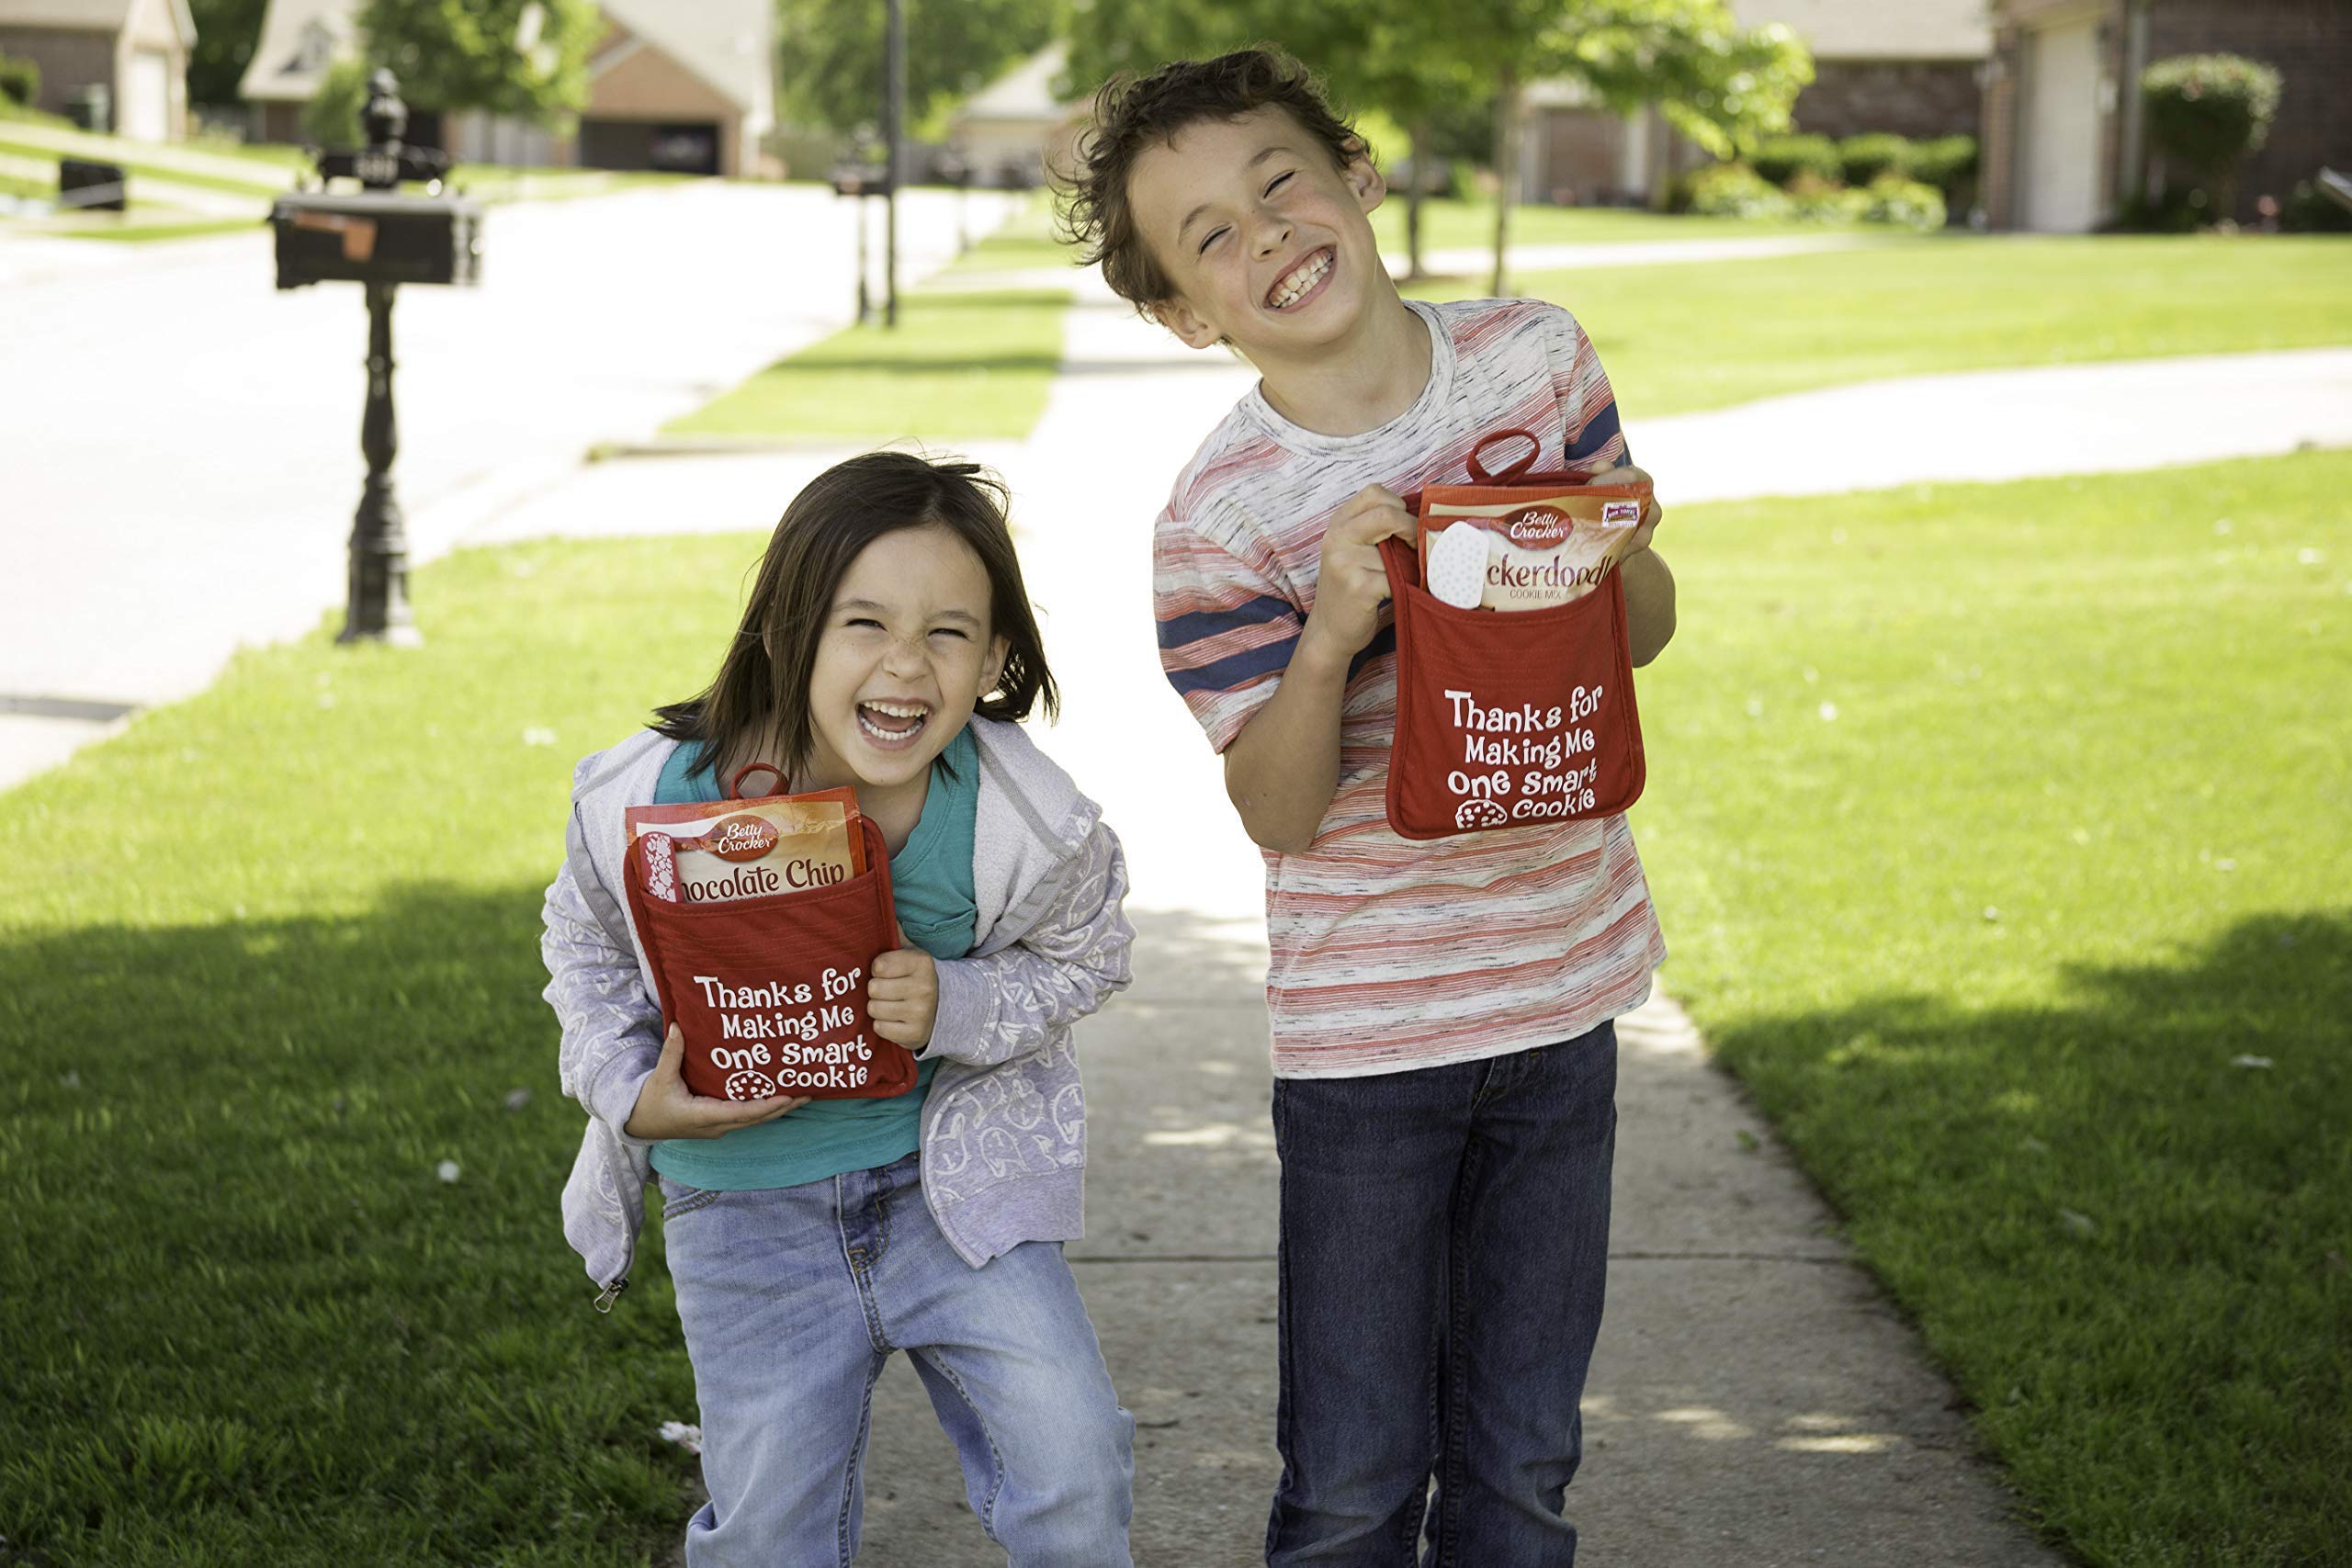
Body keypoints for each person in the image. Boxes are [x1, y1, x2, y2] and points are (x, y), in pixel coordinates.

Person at [1057, 49, 1676, 1566]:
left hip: (1561, 994)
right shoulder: (1219, 517)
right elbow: (1275, 808)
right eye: (1212, 235)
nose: (1265, 234)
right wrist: (1334, 631)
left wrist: (1609, 542)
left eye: (1282, 183)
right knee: (1352, 1475)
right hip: (1368, 1042)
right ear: (1183, 315)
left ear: (1359, 174)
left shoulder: (1535, 360)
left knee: (1523, 1458)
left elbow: (1646, 626)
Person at [540, 451, 1137, 1567]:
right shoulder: (649, 798)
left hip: (945, 1198)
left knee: (1074, 1461)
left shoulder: (1025, 819)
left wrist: (956, 1000)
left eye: (950, 633)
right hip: (742, 1216)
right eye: (863, 623)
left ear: (998, 656)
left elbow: (1087, 958)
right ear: (787, 630)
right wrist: (630, 1091)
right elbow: (583, 945)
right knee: (772, 1535)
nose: (905, 666)